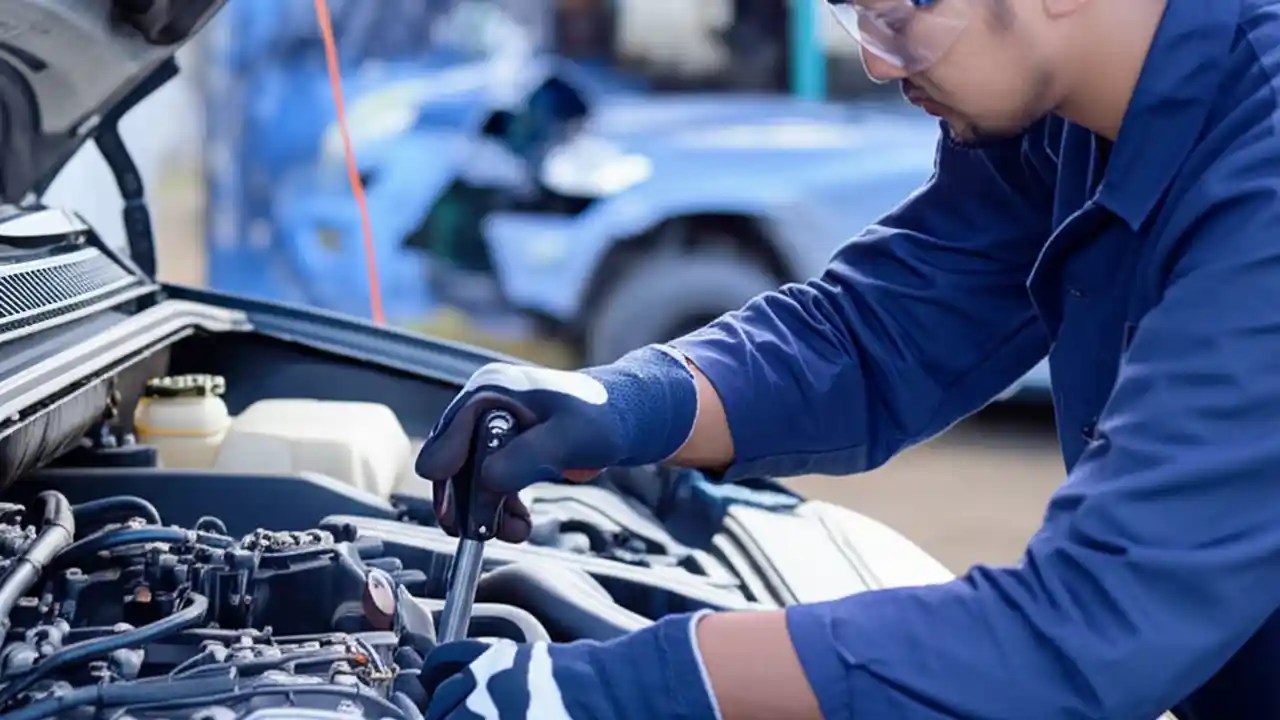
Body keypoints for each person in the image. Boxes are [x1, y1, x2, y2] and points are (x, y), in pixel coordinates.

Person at [412, 0, 1280, 716]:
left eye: (904, 9)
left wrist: (629, 688)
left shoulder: (1261, 178)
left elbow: (1088, 628)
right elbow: (882, 330)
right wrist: (625, 404)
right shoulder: (1061, 119)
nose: (877, 61)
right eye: (854, 10)